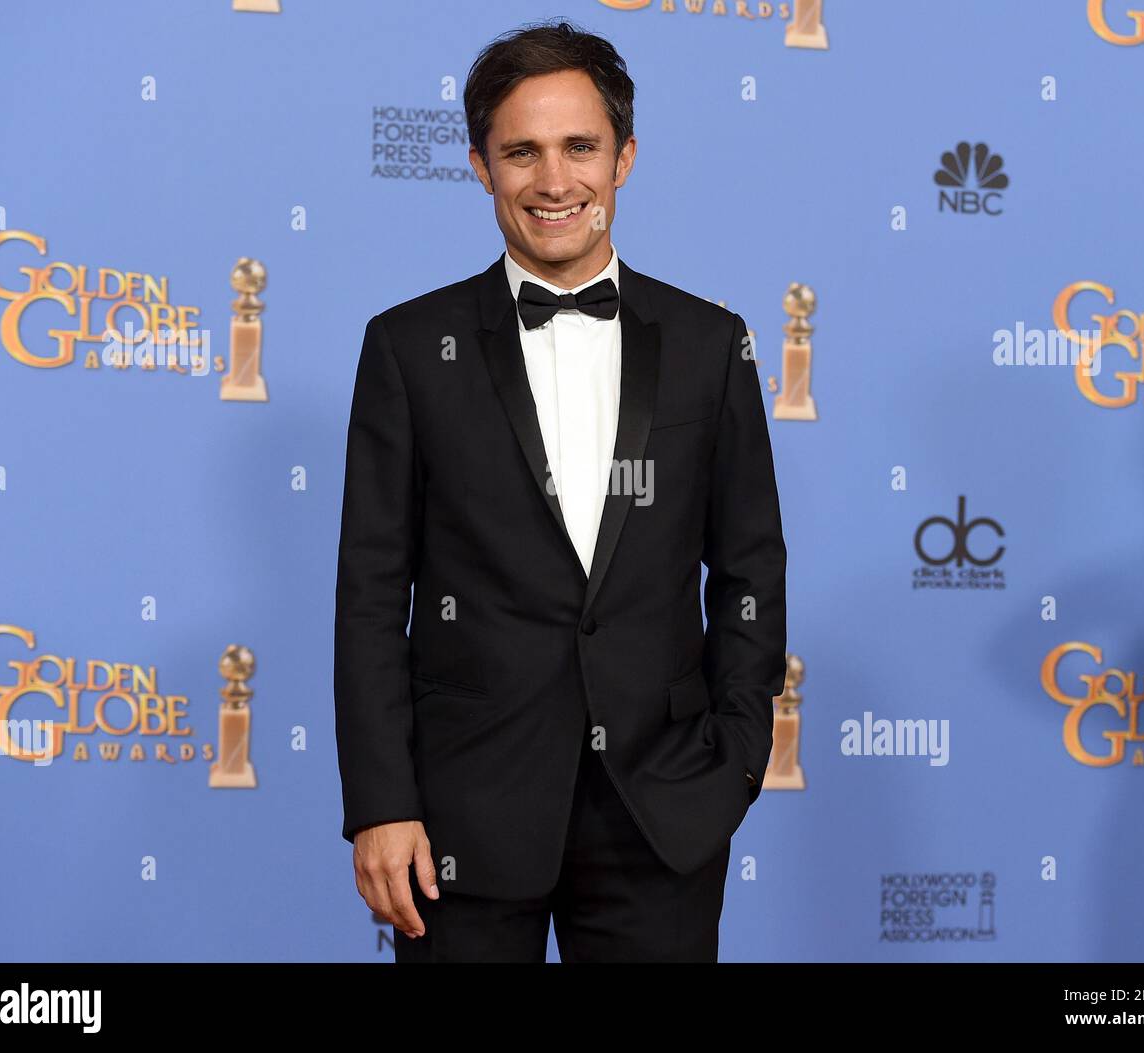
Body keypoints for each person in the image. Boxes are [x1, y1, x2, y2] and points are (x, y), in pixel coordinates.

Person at [333, 18, 787, 962]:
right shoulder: (410, 348)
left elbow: (748, 564)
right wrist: (381, 804)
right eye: (521, 152)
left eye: (580, 147)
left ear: (624, 157)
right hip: (459, 818)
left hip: (662, 811)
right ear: (479, 165)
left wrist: (736, 762)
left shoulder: (711, 343)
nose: (553, 181)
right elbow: (372, 592)